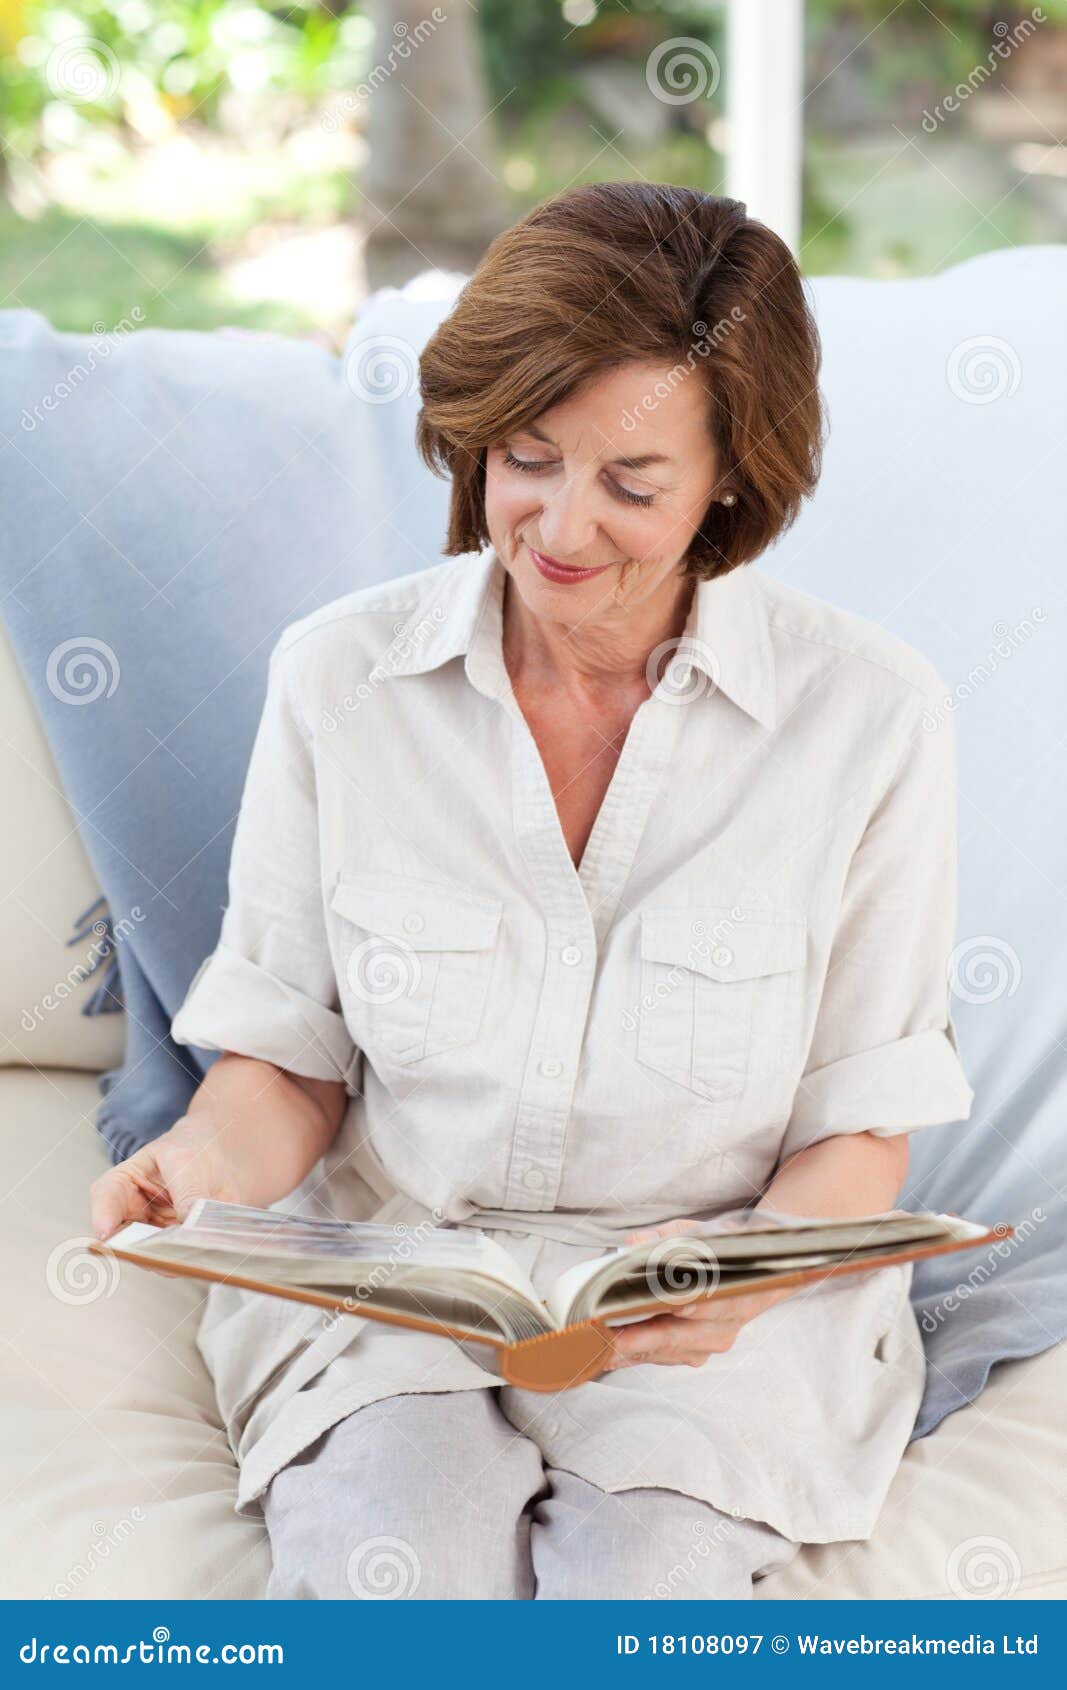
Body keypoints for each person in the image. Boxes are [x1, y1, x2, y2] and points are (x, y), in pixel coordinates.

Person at [90, 182, 974, 1600]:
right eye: (527, 456)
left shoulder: (871, 717)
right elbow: (289, 1069)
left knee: (646, 1590)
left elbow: (858, 1134)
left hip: (719, 1323)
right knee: (399, 1575)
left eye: (633, 483)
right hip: (400, 1278)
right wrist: (200, 1168)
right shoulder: (339, 680)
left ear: (732, 477)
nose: (563, 526)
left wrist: (737, 1271)